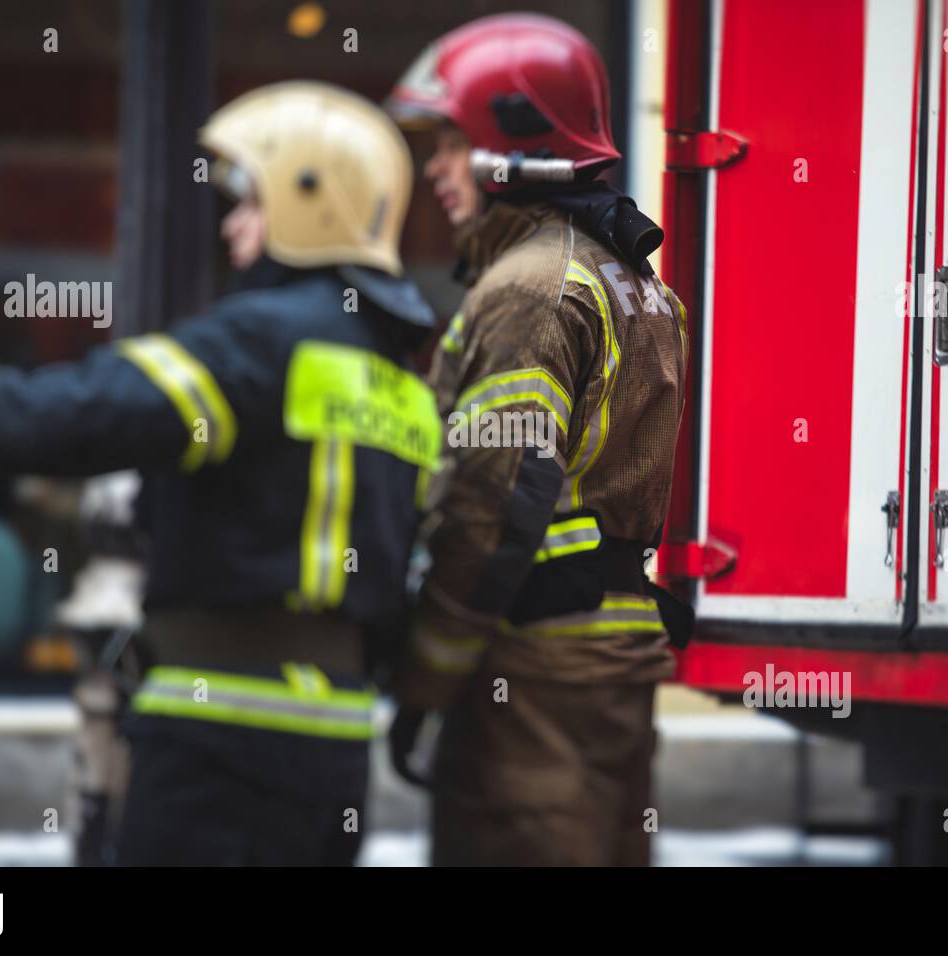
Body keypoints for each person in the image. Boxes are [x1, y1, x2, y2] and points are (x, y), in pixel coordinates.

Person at [0, 81, 439, 866]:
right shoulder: (396, 375)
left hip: (216, 743)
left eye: (248, 202)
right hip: (333, 749)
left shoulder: (260, 342)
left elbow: (79, 414)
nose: (233, 227)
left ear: (309, 202)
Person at [385, 13, 691, 866]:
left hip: (530, 672)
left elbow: (494, 504)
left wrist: (428, 675)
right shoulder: (630, 278)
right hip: (606, 660)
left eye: (447, 145)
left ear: (506, 148)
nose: (432, 170)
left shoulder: (528, 289)